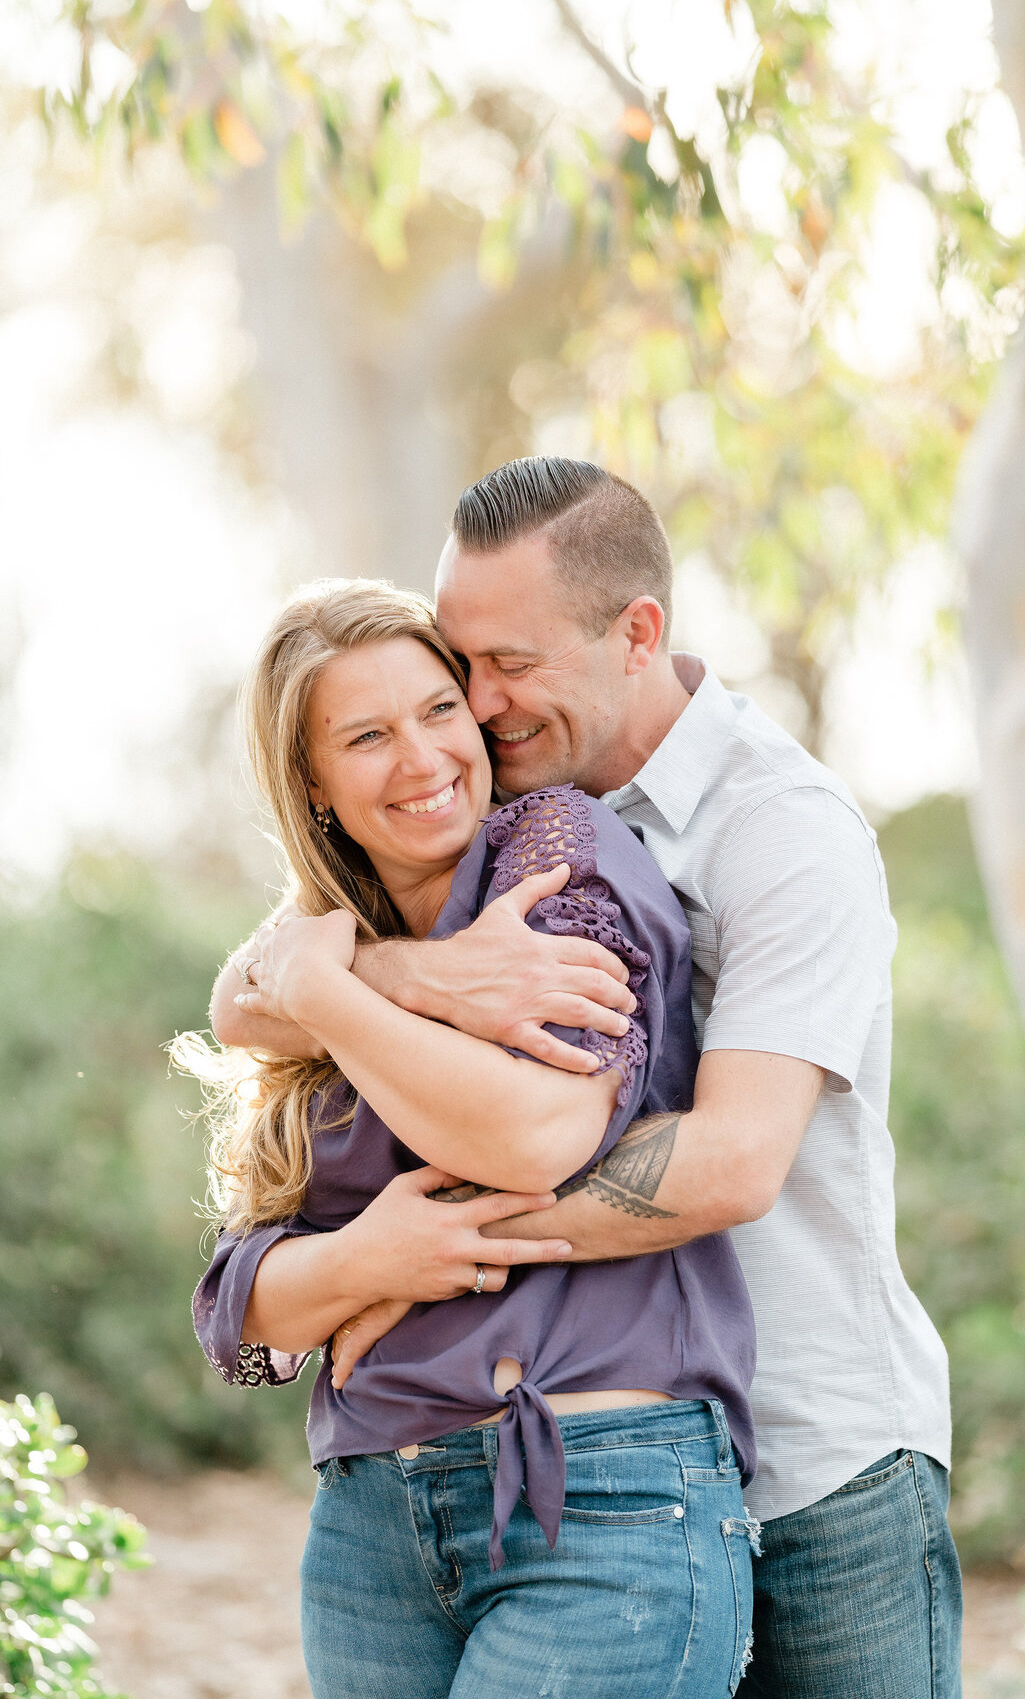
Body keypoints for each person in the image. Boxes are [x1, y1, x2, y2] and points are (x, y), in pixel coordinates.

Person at [217, 457, 963, 1699]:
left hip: (823, 1465)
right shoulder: (516, 807)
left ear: (638, 633)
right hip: (619, 1447)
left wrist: (414, 1257)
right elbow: (248, 994)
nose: (479, 703)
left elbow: (729, 1164)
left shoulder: (780, 830)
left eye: (509, 663)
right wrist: (421, 978)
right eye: (464, 664)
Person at [186, 579, 758, 1699]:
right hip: (370, 1528)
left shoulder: (555, 853)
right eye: (366, 735)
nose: (422, 756)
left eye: (438, 710)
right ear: (312, 778)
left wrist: (334, 998)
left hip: (598, 1496)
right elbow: (241, 1312)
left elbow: (539, 1133)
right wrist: (367, 1259)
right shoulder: (314, 938)